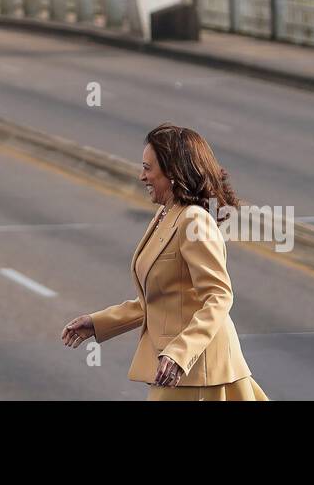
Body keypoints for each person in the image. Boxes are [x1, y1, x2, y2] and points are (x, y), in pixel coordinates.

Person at [62, 123, 267, 401]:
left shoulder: (193, 220)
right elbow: (160, 298)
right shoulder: (165, 215)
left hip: (198, 371)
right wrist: (99, 323)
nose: (141, 176)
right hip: (178, 371)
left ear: (172, 172)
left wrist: (181, 351)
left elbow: (218, 296)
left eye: (148, 168)